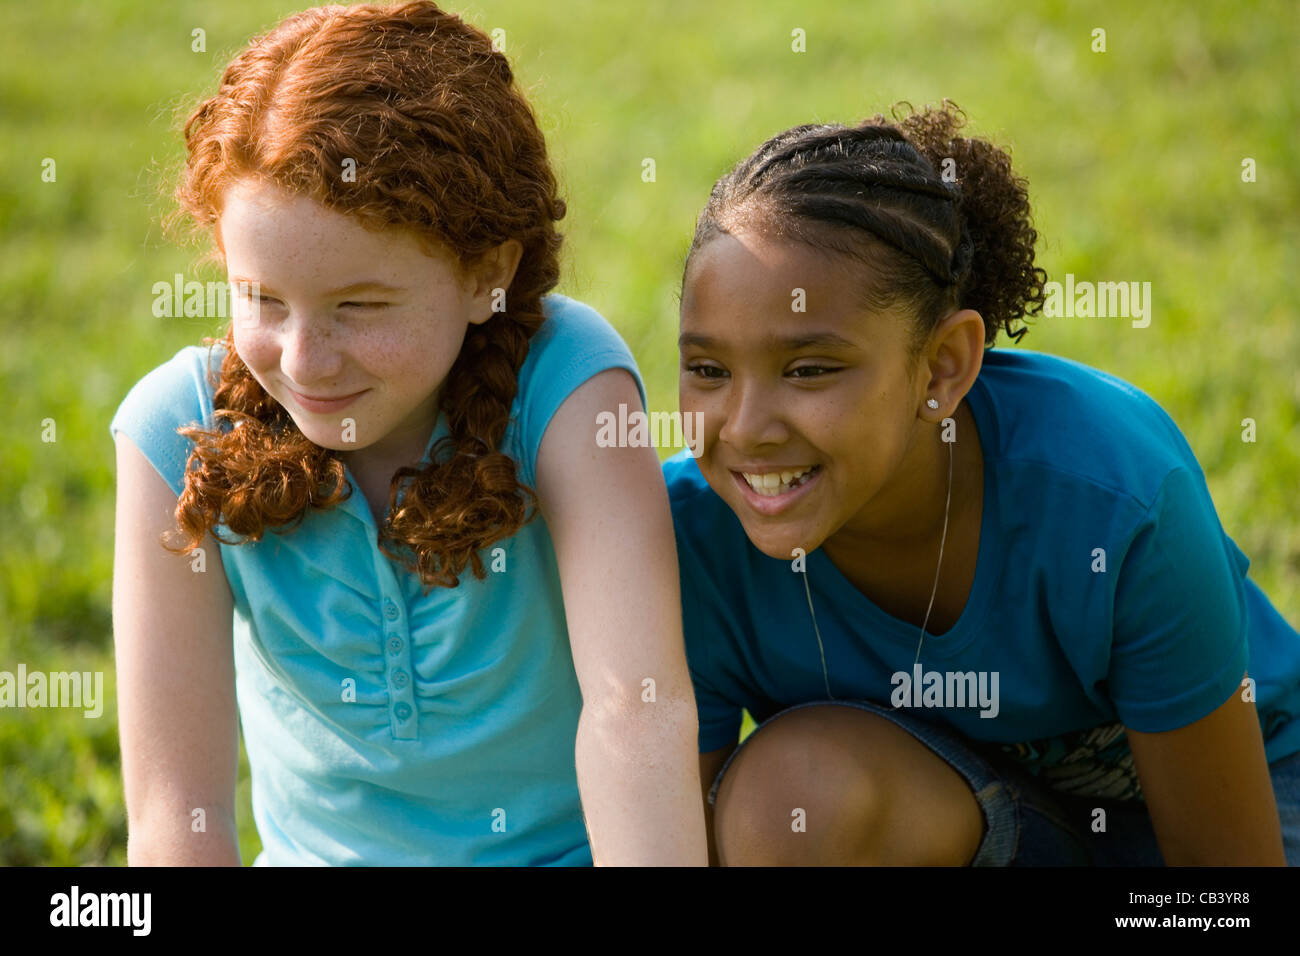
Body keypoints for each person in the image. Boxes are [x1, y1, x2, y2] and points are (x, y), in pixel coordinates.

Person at [110, 1, 704, 866]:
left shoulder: (568, 387)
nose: (307, 360)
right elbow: (175, 814)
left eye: (361, 306)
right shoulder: (176, 431)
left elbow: (635, 709)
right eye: (262, 300)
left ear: (486, 272)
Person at [663, 100, 1300, 866]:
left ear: (943, 366)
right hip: (999, 832)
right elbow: (666, 849)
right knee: (793, 799)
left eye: (808, 370)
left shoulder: (1113, 498)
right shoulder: (686, 539)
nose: (743, 428)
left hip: (1247, 821)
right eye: (708, 370)